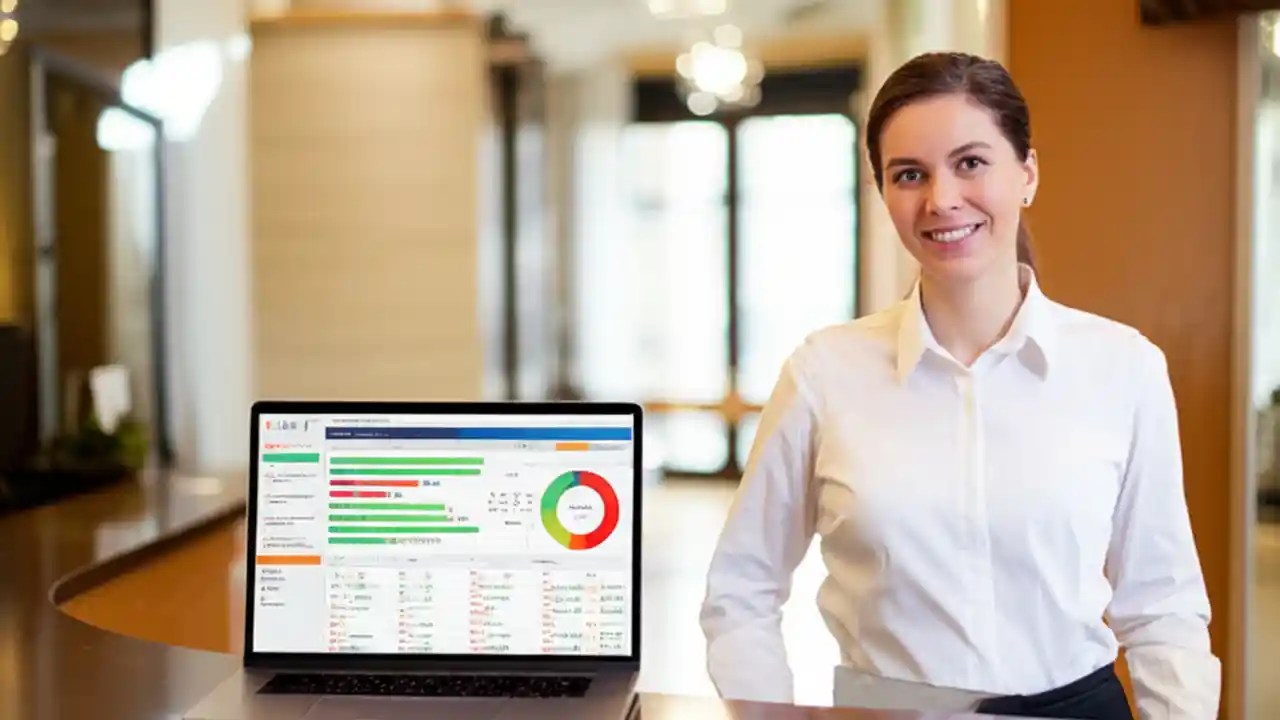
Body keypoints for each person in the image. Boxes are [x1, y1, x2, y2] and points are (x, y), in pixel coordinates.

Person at [699, 51, 1220, 720]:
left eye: (971, 162)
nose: (941, 199)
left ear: (1026, 173)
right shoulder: (823, 372)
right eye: (909, 174)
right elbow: (741, 590)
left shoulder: (1124, 368)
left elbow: (1162, 606)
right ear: (882, 191)